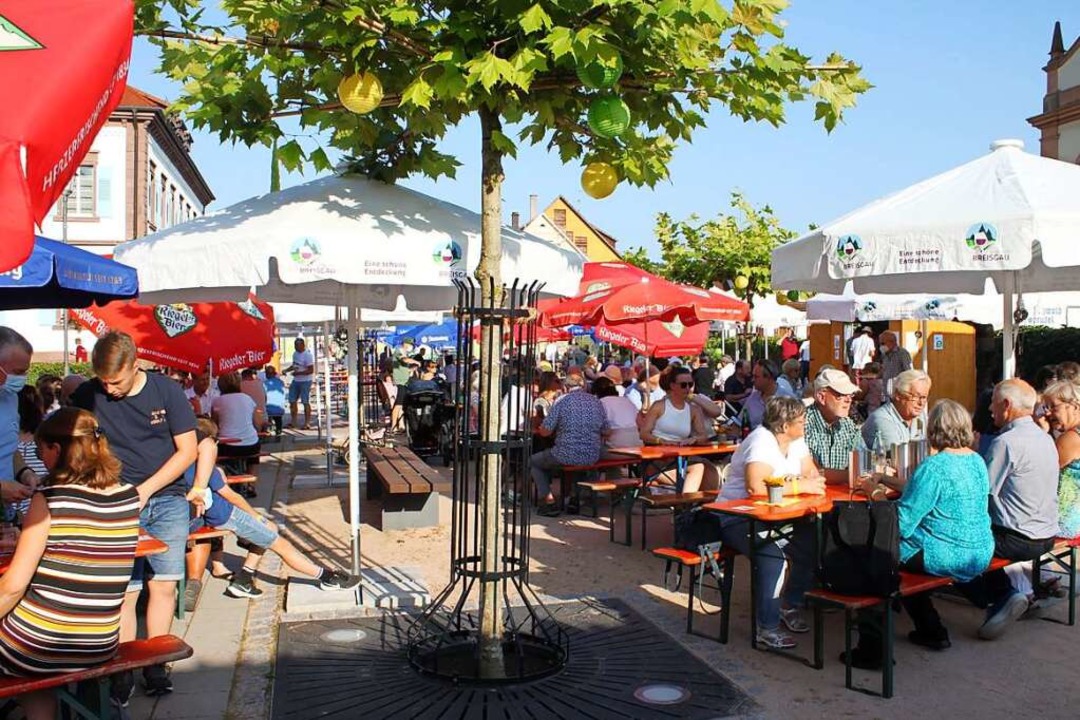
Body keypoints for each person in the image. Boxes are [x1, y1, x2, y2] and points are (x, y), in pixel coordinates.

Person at [72, 331, 198, 700]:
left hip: (167, 498)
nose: (109, 390)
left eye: (116, 381)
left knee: (162, 584)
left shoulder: (166, 391)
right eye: (103, 382)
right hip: (116, 502)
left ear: (135, 364)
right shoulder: (88, 394)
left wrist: (147, 489)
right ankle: (124, 667)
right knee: (125, 590)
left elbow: (187, 450)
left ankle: (155, 662)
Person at [0, 408, 140, 720]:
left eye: (41, 451)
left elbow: (13, 586)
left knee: (28, 664)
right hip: (99, 641)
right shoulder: (128, 496)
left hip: (40, 642)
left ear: (57, 450)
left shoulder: (51, 497)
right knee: (37, 677)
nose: (41, 458)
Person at [848, 400, 993, 668]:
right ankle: (930, 629)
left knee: (875, 555)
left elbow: (900, 523)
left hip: (946, 553)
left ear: (933, 429)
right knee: (903, 559)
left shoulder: (934, 467)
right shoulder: (976, 461)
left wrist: (874, 492)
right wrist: (883, 478)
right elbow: (921, 489)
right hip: (980, 548)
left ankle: (872, 649)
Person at [186, 419, 358, 598]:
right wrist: (255, 515)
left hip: (213, 516)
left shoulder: (186, 467)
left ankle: (245, 576)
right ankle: (327, 577)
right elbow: (233, 497)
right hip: (227, 515)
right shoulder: (204, 470)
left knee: (269, 529)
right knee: (282, 545)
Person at [715, 396, 826, 649]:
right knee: (771, 555)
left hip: (778, 515)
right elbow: (756, 486)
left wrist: (808, 479)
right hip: (736, 516)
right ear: (785, 426)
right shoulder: (761, 440)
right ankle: (767, 628)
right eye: (801, 421)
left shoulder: (795, 442)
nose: (806, 424)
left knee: (813, 542)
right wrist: (800, 484)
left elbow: (811, 471)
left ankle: (789, 604)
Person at [972, 379, 1060, 639]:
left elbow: (981, 493)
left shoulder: (1006, 442)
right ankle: (1008, 594)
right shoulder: (1043, 437)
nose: (989, 409)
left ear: (1007, 405)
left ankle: (1002, 596)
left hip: (1017, 538)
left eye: (993, 403)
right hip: (1047, 535)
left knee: (959, 546)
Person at [531, 372, 609, 517]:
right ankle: (575, 498)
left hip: (565, 454)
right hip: (591, 455)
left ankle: (548, 501)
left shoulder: (562, 400)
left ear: (566, 387)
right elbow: (606, 431)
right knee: (583, 466)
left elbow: (546, 432)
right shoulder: (596, 401)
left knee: (533, 462)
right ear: (584, 385)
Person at [638, 366, 720, 493]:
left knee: (711, 472)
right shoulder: (659, 406)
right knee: (698, 468)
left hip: (681, 457)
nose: (688, 388)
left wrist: (693, 439)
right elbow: (643, 434)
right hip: (658, 459)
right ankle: (685, 505)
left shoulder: (693, 409)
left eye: (690, 384)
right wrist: (662, 441)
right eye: (683, 385)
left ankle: (697, 507)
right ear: (672, 386)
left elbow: (703, 435)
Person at [803, 369, 864, 485]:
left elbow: (862, 461)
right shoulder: (803, 424)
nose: (848, 400)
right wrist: (853, 475)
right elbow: (811, 472)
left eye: (851, 395)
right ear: (821, 397)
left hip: (842, 496)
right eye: (840, 395)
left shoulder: (849, 425)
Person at [0, 329, 34, 509]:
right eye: (18, 372)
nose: (22, 379)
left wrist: (25, 472)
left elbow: (7, 447)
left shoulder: (10, 397)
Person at [861, 369, 931, 453]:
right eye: (916, 396)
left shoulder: (920, 416)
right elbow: (899, 457)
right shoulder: (882, 419)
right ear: (898, 395)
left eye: (924, 397)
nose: (921, 403)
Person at [1046, 380, 1080, 538]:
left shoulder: (1071, 438)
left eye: (1054, 407)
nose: (1048, 413)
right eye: (1046, 407)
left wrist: (1042, 432)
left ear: (1074, 406)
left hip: (1065, 522)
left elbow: (1043, 473)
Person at [212, 371, 262, 462]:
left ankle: (224, 472)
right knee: (252, 461)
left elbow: (214, 426)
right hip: (251, 444)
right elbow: (258, 424)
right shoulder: (247, 398)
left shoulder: (217, 401)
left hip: (227, 446)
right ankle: (252, 474)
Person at [743, 359, 793, 430]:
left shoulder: (787, 400)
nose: (752, 380)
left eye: (756, 377)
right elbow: (739, 423)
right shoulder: (753, 398)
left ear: (769, 378)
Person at [592, 376, 640, 450]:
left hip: (616, 447)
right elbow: (639, 423)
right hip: (637, 444)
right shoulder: (627, 401)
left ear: (596, 392)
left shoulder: (600, 403)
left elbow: (597, 428)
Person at [283, 338, 315, 430]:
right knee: (292, 400)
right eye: (295, 345)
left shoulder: (307, 355)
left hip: (305, 381)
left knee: (305, 401)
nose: (296, 347)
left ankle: (307, 422)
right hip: (296, 380)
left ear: (303, 345)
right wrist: (287, 370)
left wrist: (299, 373)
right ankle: (293, 421)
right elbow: (294, 365)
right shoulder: (295, 354)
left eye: (298, 345)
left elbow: (311, 370)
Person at [878, 330, 912, 395]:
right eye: (880, 344)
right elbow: (884, 370)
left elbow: (909, 372)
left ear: (892, 342)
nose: (881, 346)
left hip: (898, 391)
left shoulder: (902, 353)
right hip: (886, 392)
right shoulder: (884, 354)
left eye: (883, 343)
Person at [262, 366, 286, 438]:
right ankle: (279, 431)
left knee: (265, 415)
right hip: (280, 409)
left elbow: (263, 396)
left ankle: (268, 431)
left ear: (267, 374)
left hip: (268, 409)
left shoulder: (264, 383)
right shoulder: (281, 382)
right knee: (278, 419)